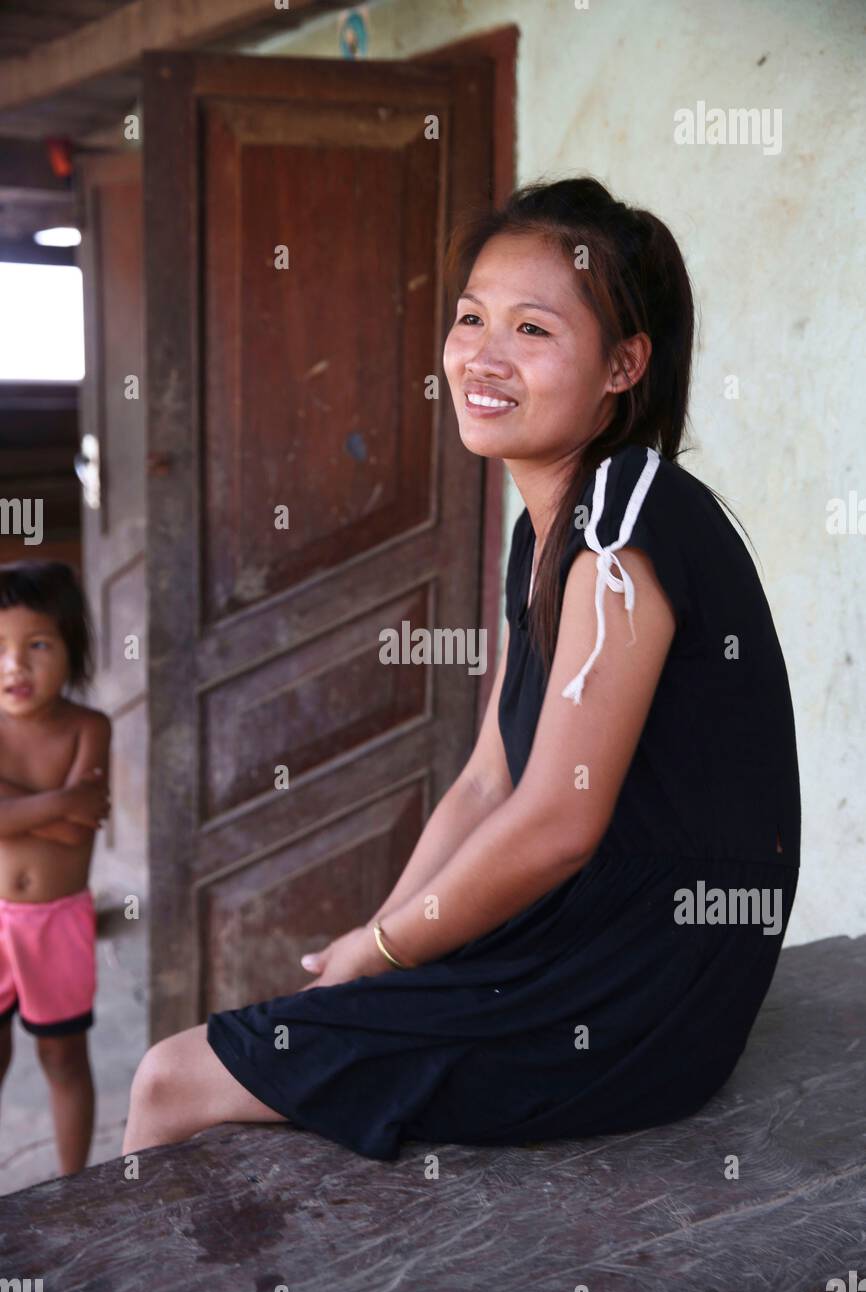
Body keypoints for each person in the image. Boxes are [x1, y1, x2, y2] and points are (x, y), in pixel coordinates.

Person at [123, 177, 801, 1163]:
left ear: (622, 365)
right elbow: (490, 778)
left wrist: (383, 951)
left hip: (636, 985)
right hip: (584, 946)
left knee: (171, 1077)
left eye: (531, 330)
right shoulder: (544, 535)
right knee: (290, 1040)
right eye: (469, 316)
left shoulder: (624, 516)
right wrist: (378, 942)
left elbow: (558, 819)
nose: (480, 356)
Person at [0, 561, 111, 1175]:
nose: (16, 664)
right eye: (0, 648)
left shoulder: (88, 728)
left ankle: (75, 1188)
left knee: (64, 1059)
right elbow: (73, 812)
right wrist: (61, 804)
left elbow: (82, 822)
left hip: (58, 923)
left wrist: (15, 806)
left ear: (72, 649)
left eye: (37, 644)